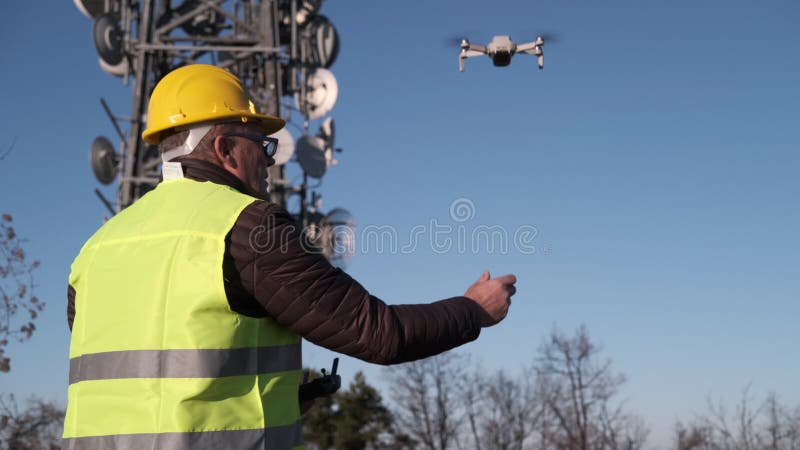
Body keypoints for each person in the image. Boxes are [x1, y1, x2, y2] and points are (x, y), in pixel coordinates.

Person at [62, 64, 517, 450]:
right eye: (261, 147)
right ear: (224, 149)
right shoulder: (248, 226)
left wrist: (286, 394)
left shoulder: (98, 246)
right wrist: (473, 310)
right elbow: (379, 335)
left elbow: (150, 382)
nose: (271, 162)